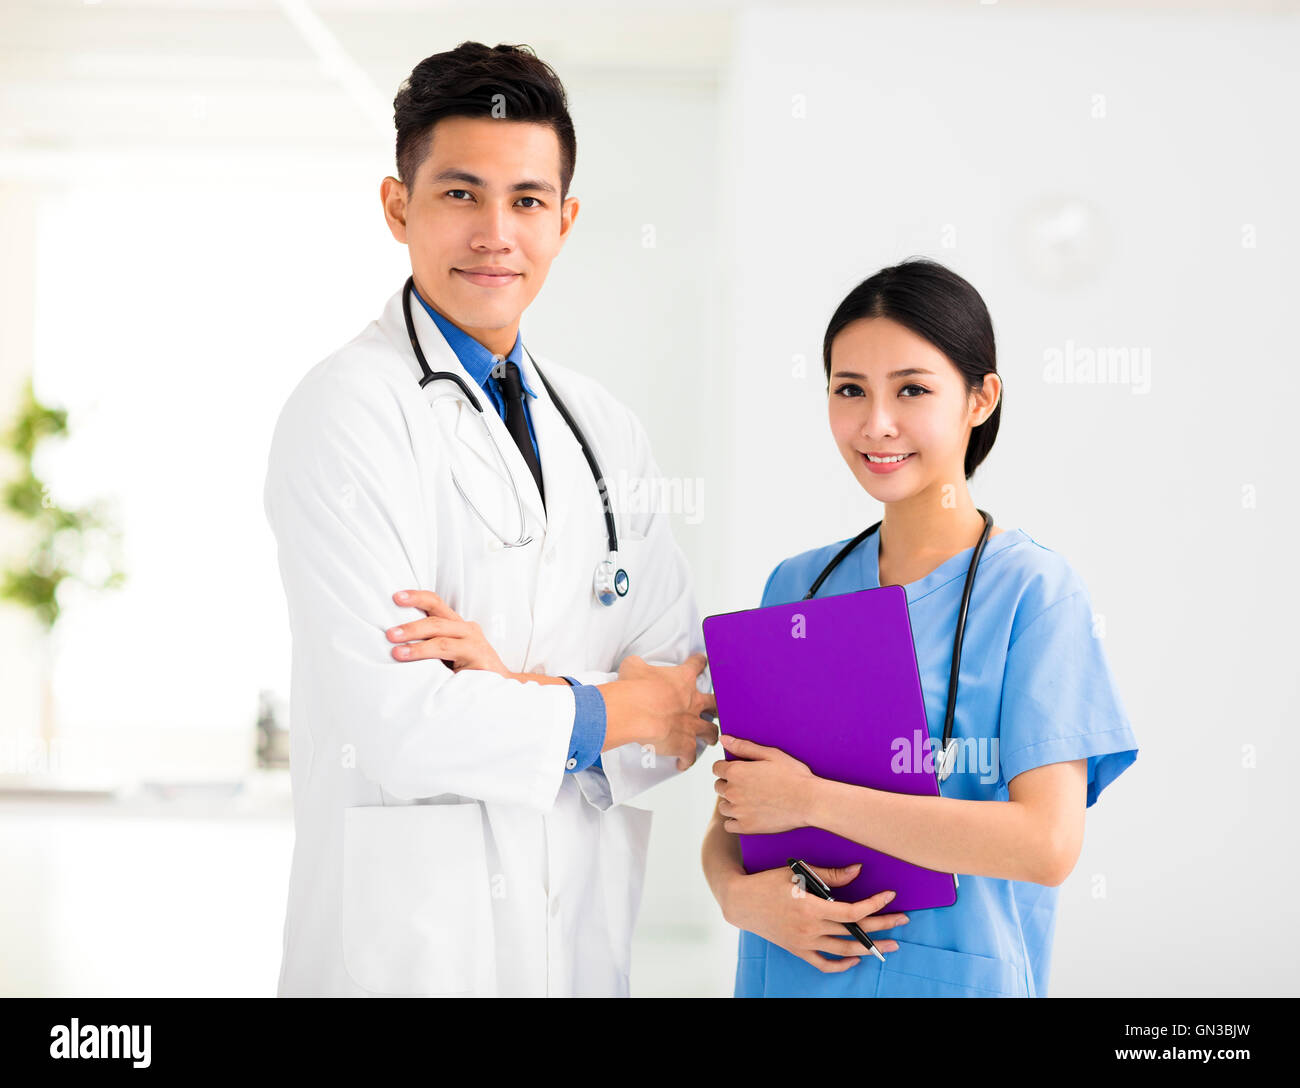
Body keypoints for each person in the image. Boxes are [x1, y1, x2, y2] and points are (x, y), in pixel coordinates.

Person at [263, 41, 716, 998]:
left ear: (566, 219)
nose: (496, 233)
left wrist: (511, 685)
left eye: (527, 201)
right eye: (461, 195)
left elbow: (687, 700)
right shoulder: (346, 412)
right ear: (399, 207)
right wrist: (613, 707)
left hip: (581, 944)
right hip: (414, 953)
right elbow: (402, 723)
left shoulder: (605, 431)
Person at [700, 257, 1138, 997]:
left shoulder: (1034, 593)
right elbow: (742, 811)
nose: (876, 424)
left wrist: (815, 801)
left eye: (912, 389)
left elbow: (1048, 845)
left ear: (980, 398)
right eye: (850, 390)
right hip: (789, 974)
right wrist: (734, 894)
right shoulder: (796, 586)